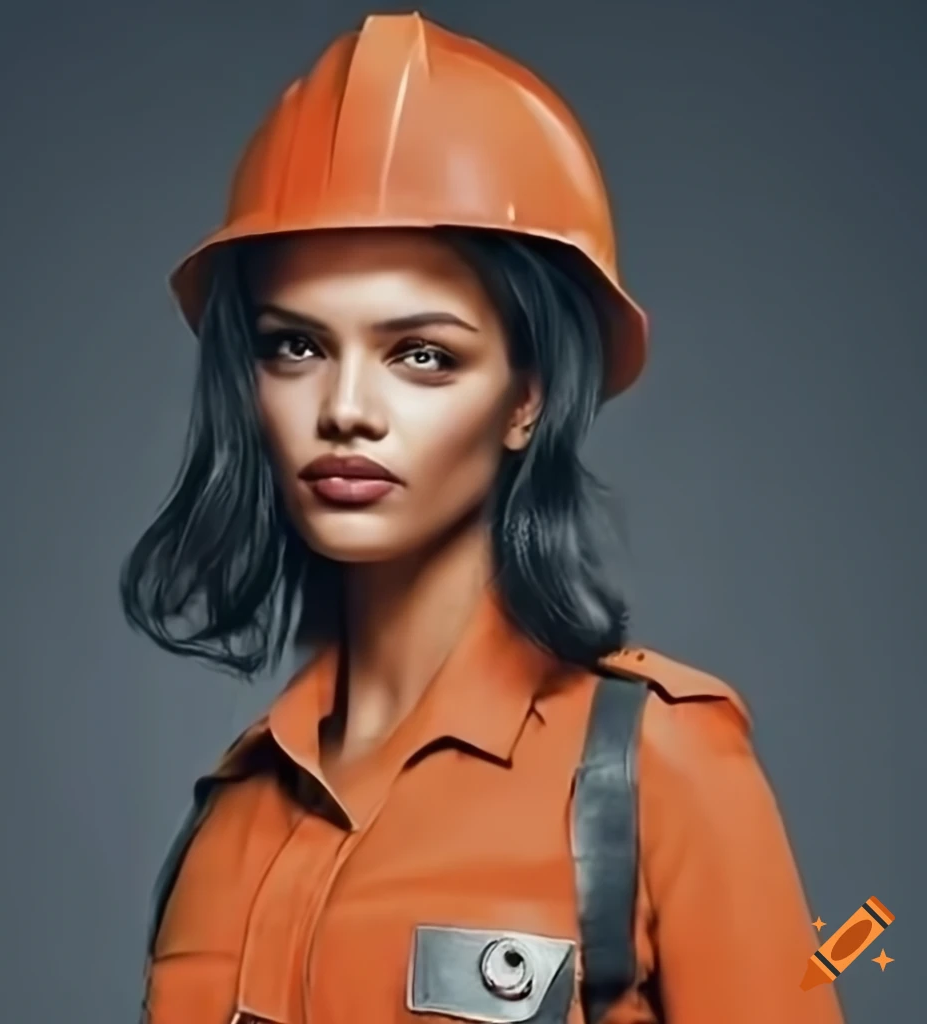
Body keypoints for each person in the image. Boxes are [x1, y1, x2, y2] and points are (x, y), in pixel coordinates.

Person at [121, 12, 846, 1024]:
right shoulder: (229, 816)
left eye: (422, 355)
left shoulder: (658, 769)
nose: (346, 409)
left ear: (526, 399)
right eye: (297, 346)